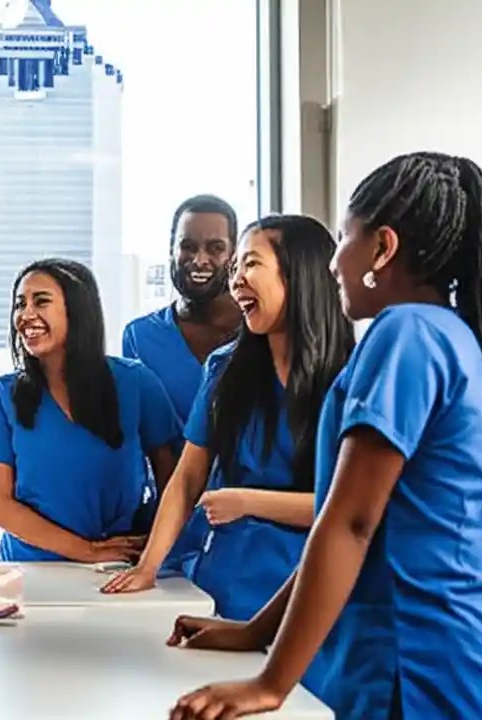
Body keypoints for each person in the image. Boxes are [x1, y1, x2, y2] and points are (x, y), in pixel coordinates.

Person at [167, 152, 482, 720]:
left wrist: (269, 683)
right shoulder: (443, 333)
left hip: (433, 667)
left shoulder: (406, 334)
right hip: (445, 659)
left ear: (382, 248)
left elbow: (351, 523)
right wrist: (254, 631)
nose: (332, 263)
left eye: (345, 237)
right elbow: (353, 518)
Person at [103, 215, 352, 630]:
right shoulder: (224, 369)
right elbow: (186, 480)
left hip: (313, 594)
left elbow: (351, 510)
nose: (235, 280)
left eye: (250, 264)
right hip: (223, 584)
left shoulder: (354, 378)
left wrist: (246, 501)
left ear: (300, 273)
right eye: (234, 268)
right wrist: (148, 568)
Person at [0, 258, 182, 562]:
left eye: (40, 301)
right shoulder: (4, 396)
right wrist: (87, 551)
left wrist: (153, 552)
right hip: (30, 570)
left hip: (121, 564)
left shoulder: (135, 383)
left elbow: (173, 480)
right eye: (20, 304)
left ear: (78, 310)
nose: (25, 315)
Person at [122, 194, 242, 575]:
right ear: (171, 251)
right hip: (167, 525)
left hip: (246, 521)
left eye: (215, 247)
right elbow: (138, 441)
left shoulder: (259, 332)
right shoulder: (140, 337)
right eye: (187, 246)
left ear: (235, 255)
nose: (200, 259)